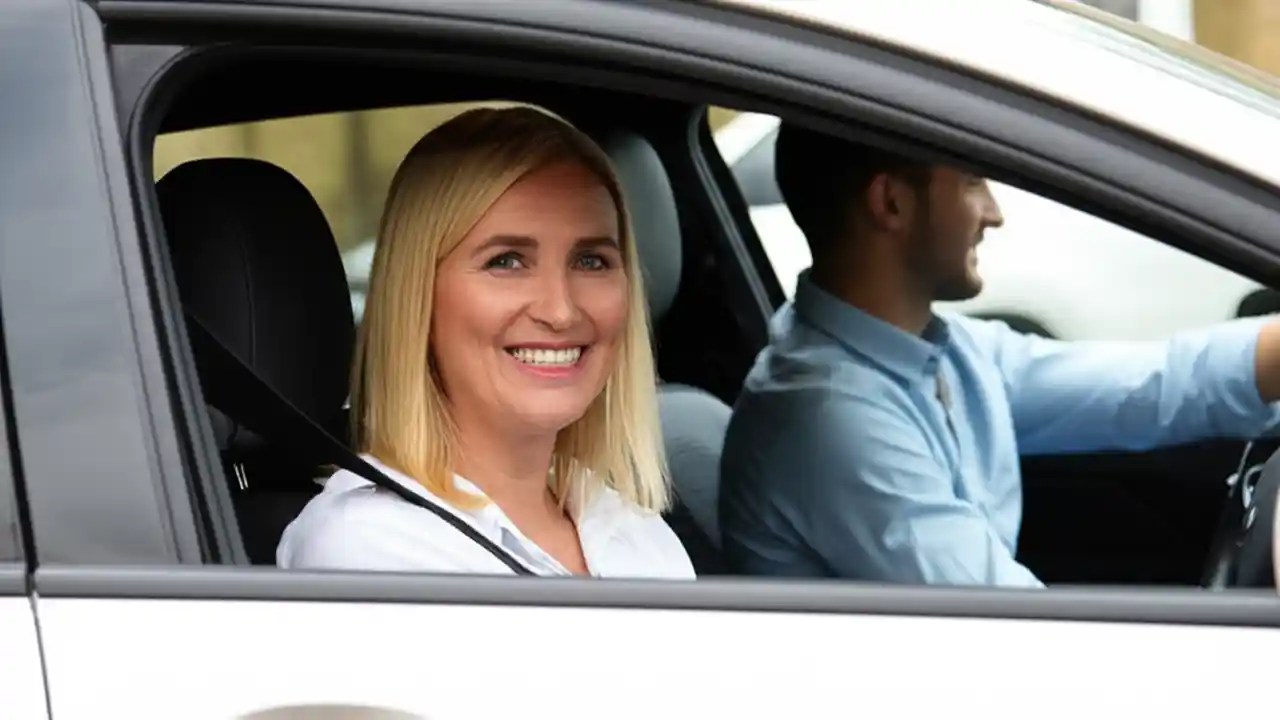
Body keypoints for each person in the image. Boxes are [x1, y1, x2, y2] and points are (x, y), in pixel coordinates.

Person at [720, 121, 1280, 587]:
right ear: (891, 202)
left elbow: (1149, 385)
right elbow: (1012, 626)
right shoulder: (828, 421)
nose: (993, 212)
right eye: (972, 182)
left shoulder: (938, 351)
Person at [278, 107, 693, 578]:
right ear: (418, 297)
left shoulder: (631, 526)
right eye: (507, 261)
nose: (560, 311)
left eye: (591, 261)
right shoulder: (368, 546)